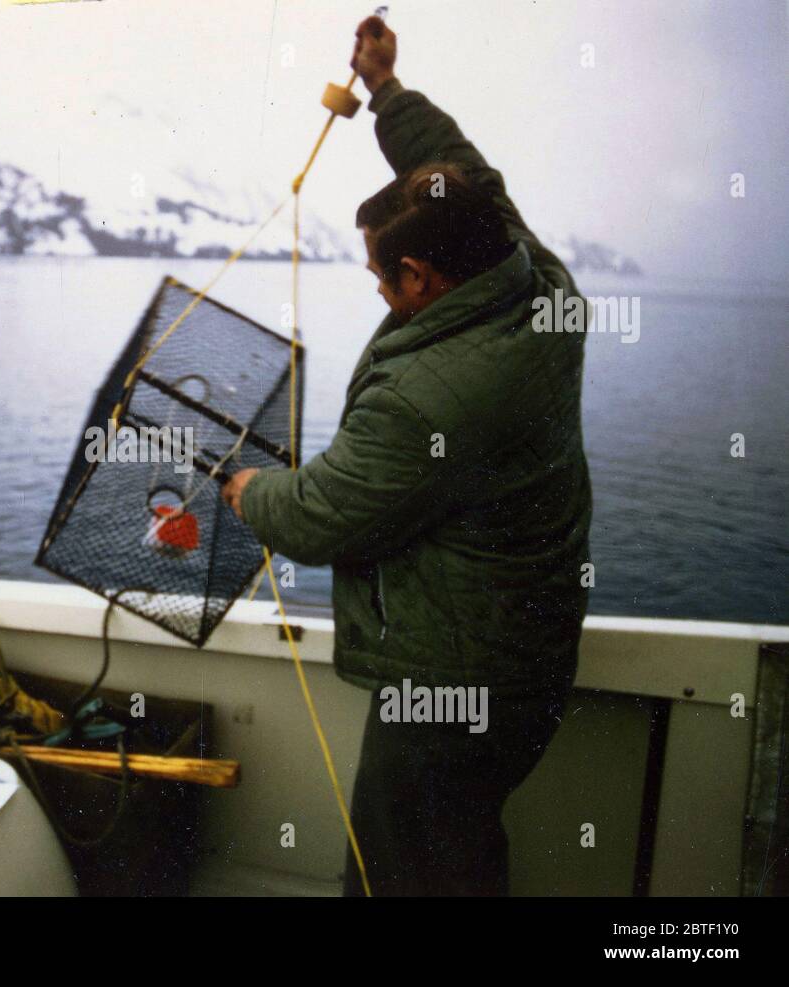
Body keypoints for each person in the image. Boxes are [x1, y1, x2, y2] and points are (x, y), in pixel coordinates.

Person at [221, 17, 593, 896]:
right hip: (528, 650)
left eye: (384, 277)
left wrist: (244, 490)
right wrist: (385, 91)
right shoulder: (540, 285)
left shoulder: (430, 398)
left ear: (422, 278)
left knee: (404, 872)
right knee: (455, 851)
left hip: (453, 690)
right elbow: (466, 173)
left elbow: (318, 513)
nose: (377, 289)